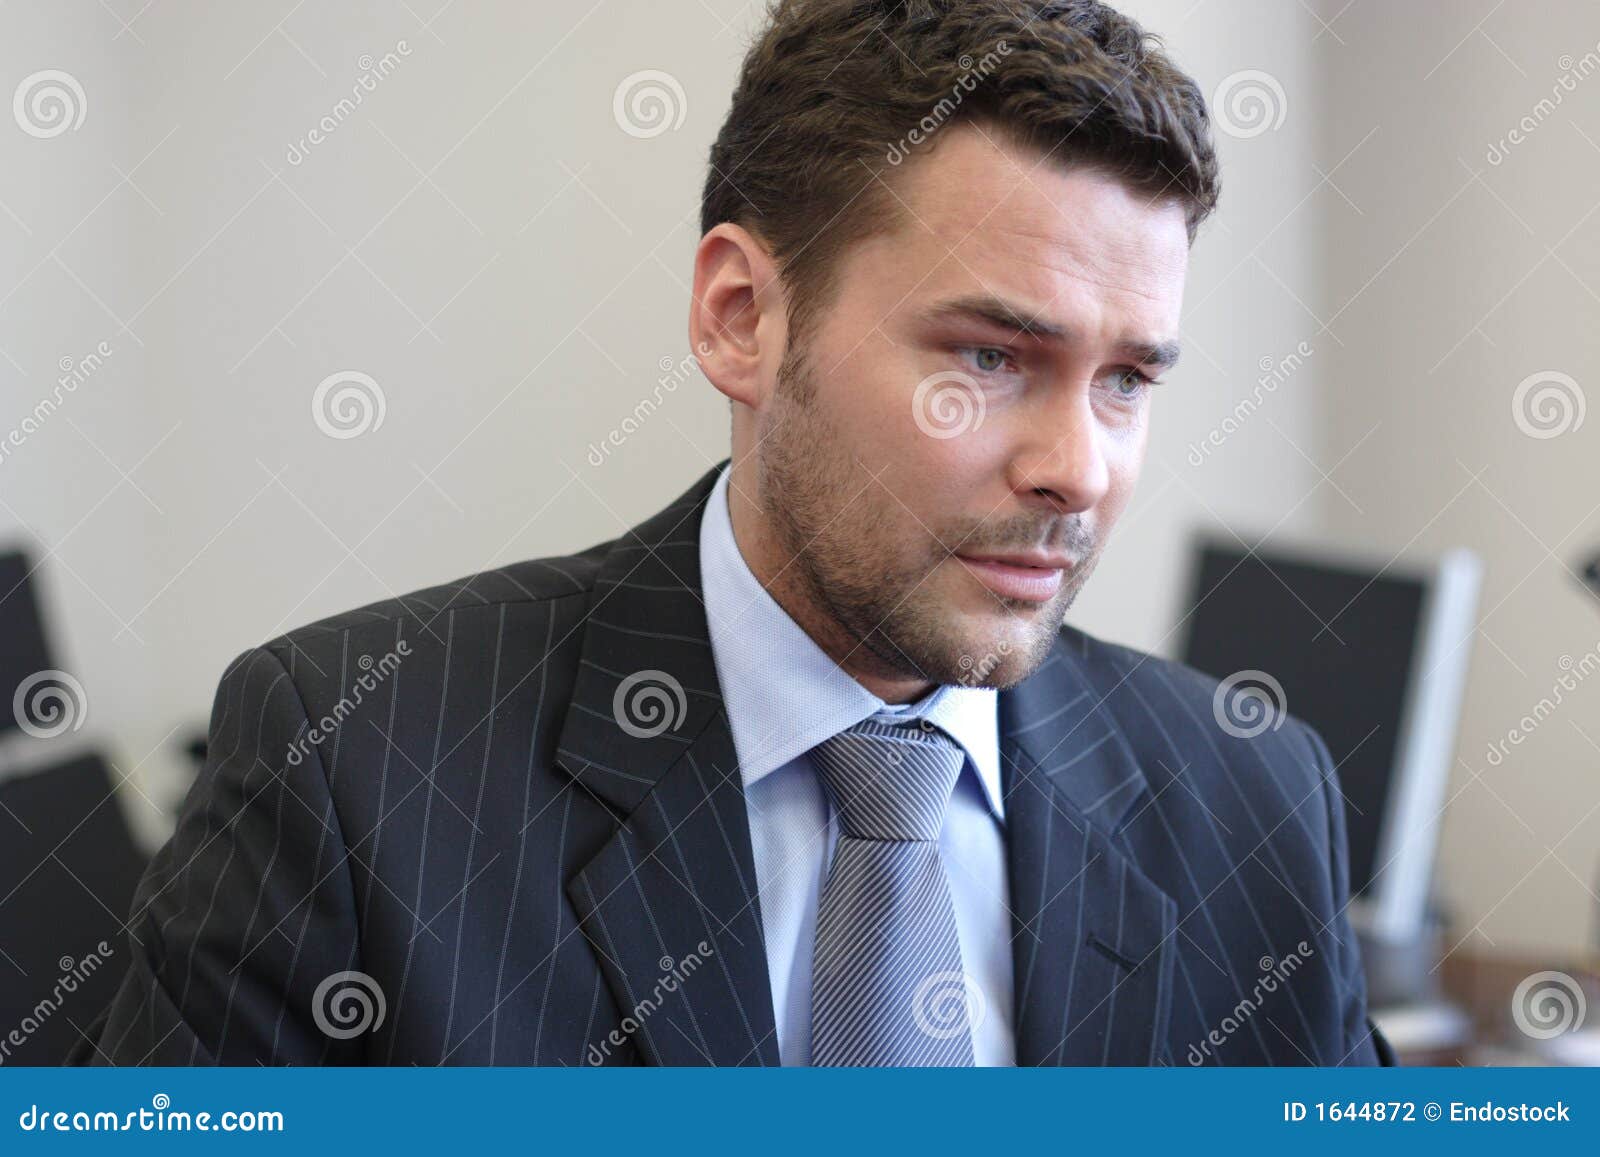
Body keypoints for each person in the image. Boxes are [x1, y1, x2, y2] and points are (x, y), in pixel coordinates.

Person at [75, 0, 1392, 1066]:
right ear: (740, 317)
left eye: (1128, 381)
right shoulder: (355, 767)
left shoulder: (1252, 803)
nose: (1077, 469)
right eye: (990, 357)